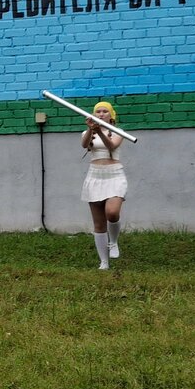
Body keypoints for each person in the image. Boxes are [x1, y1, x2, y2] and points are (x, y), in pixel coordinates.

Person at [80, 101, 127, 270]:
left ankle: (113, 242)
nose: (101, 114)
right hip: (95, 175)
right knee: (99, 223)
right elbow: (84, 145)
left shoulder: (118, 132)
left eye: (104, 111)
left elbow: (111, 145)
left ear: (111, 115)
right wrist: (92, 130)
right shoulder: (88, 132)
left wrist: (100, 131)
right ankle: (104, 262)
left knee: (112, 213)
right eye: (97, 111)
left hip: (114, 174)